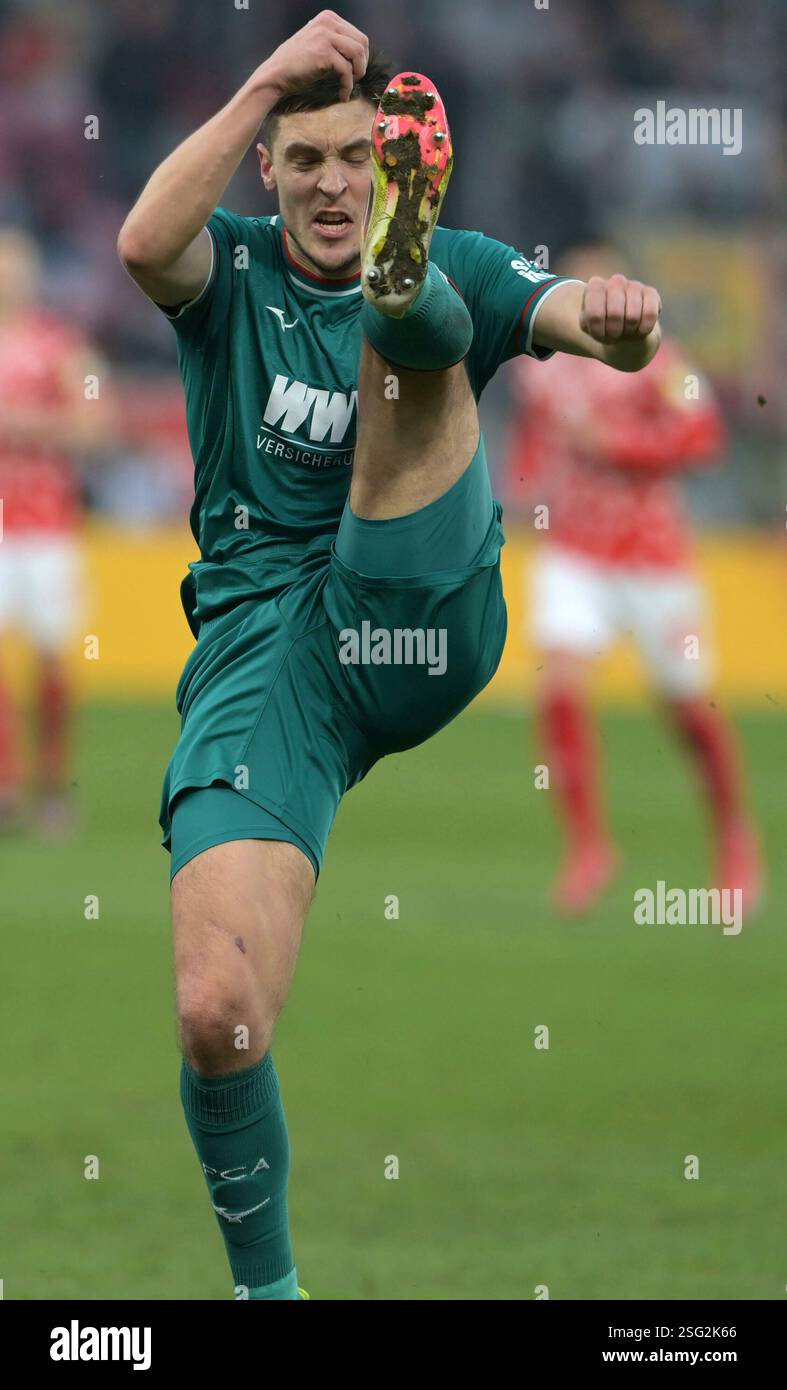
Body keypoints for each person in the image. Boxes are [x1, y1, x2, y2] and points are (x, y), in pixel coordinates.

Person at [118, 12, 663, 1299]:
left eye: (361, 160)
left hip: (414, 607)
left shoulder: (470, 251)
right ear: (267, 163)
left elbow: (592, 325)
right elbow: (144, 243)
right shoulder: (231, 271)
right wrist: (262, 81)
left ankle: (405, 299)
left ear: (391, 168)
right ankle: (273, 1294)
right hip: (271, 663)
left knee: (413, 333)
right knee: (215, 1007)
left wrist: (627, 319)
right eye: (304, 158)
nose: (329, 183)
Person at [506, 244, 762, 916]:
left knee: (686, 709)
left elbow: (702, 433)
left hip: (652, 559)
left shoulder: (662, 360)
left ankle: (733, 839)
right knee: (558, 688)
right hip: (574, 553)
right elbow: (534, 443)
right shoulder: (542, 368)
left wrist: (619, 447)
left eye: (600, 281)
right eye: (576, 282)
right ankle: (588, 848)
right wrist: (522, 490)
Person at [0, 229, 105, 835]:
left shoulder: (59, 346)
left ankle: (52, 782)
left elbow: (97, 425)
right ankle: (8, 785)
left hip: (44, 526)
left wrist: (27, 426)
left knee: (51, 662)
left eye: (17, 269)